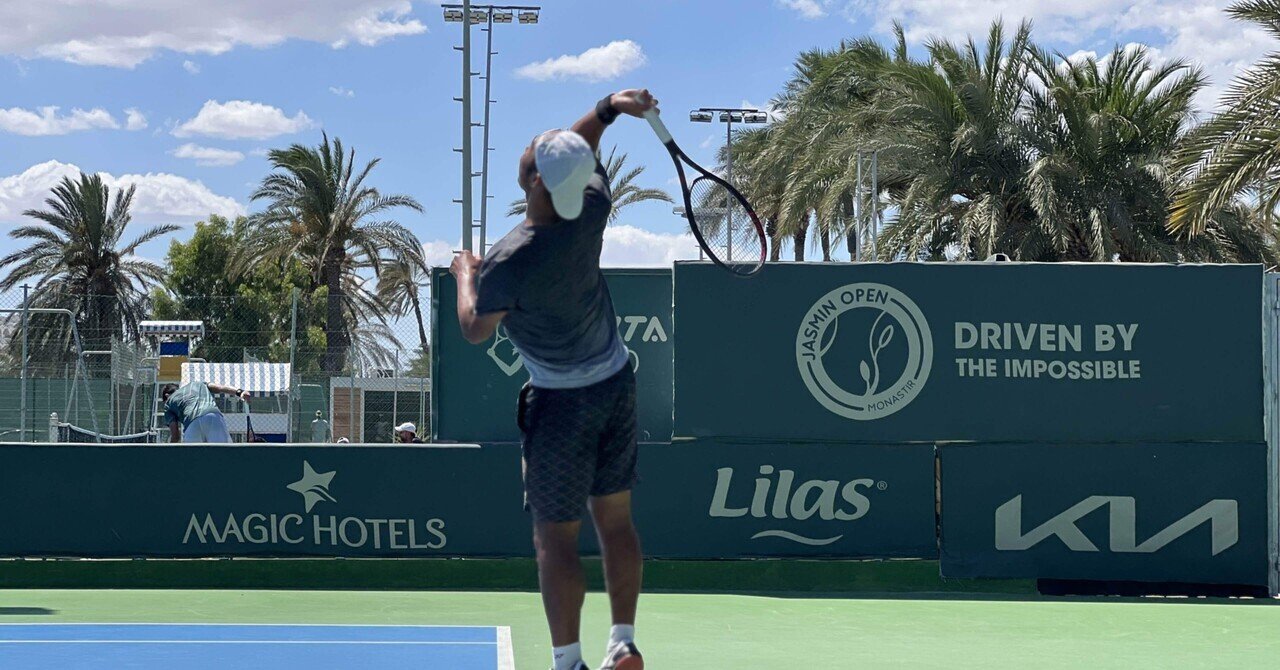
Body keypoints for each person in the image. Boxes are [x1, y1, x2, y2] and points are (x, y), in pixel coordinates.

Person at [450, 89, 653, 670]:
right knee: (615, 521)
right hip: (616, 387)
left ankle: (568, 663)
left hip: (560, 407)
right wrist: (608, 109)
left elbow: (474, 329)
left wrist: (467, 274)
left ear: (535, 180)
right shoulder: (592, 205)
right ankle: (623, 640)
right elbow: (577, 149)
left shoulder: (510, 258)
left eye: (534, 153)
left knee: (554, 539)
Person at [160, 382, 250, 443]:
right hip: (212, 416)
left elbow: (175, 436)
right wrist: (240, 392)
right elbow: (220, 387)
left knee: (194, 464)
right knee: (224, 455)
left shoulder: (168, 403)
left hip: (191, 424)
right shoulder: (197, 384)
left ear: (167, 396)